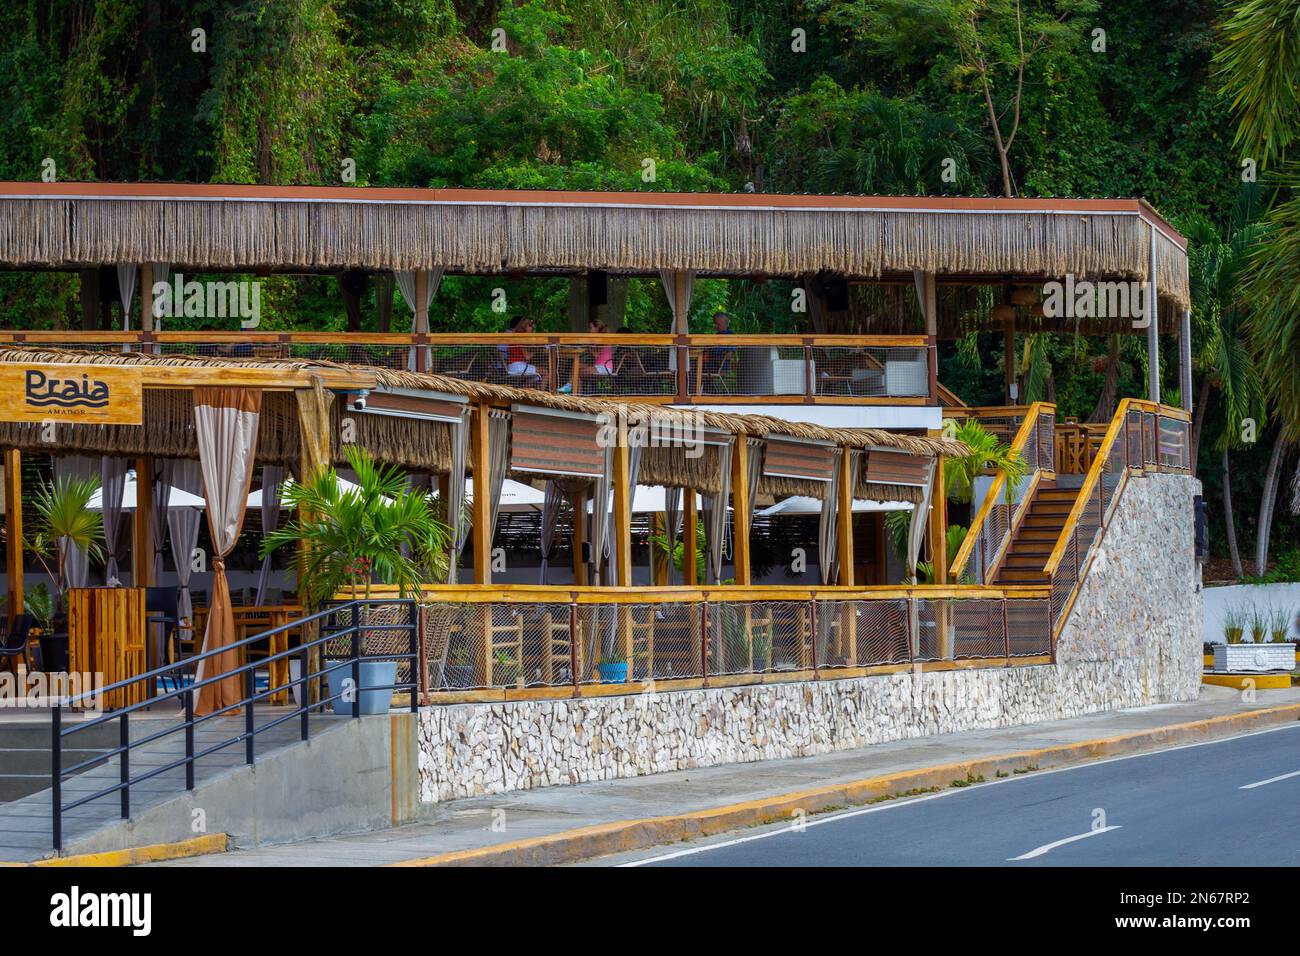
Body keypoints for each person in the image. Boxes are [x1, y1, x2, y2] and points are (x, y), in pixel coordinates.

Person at [503, 316, 549, 389]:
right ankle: (542, 396)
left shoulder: (516, 335)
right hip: (518, 366)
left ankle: (521, 394)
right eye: (529, 326)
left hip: (511, 366)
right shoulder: (520, 337)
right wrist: (538, 349)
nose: (532, 328)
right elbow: (527, 357)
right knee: (545, 373)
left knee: (535, 377)